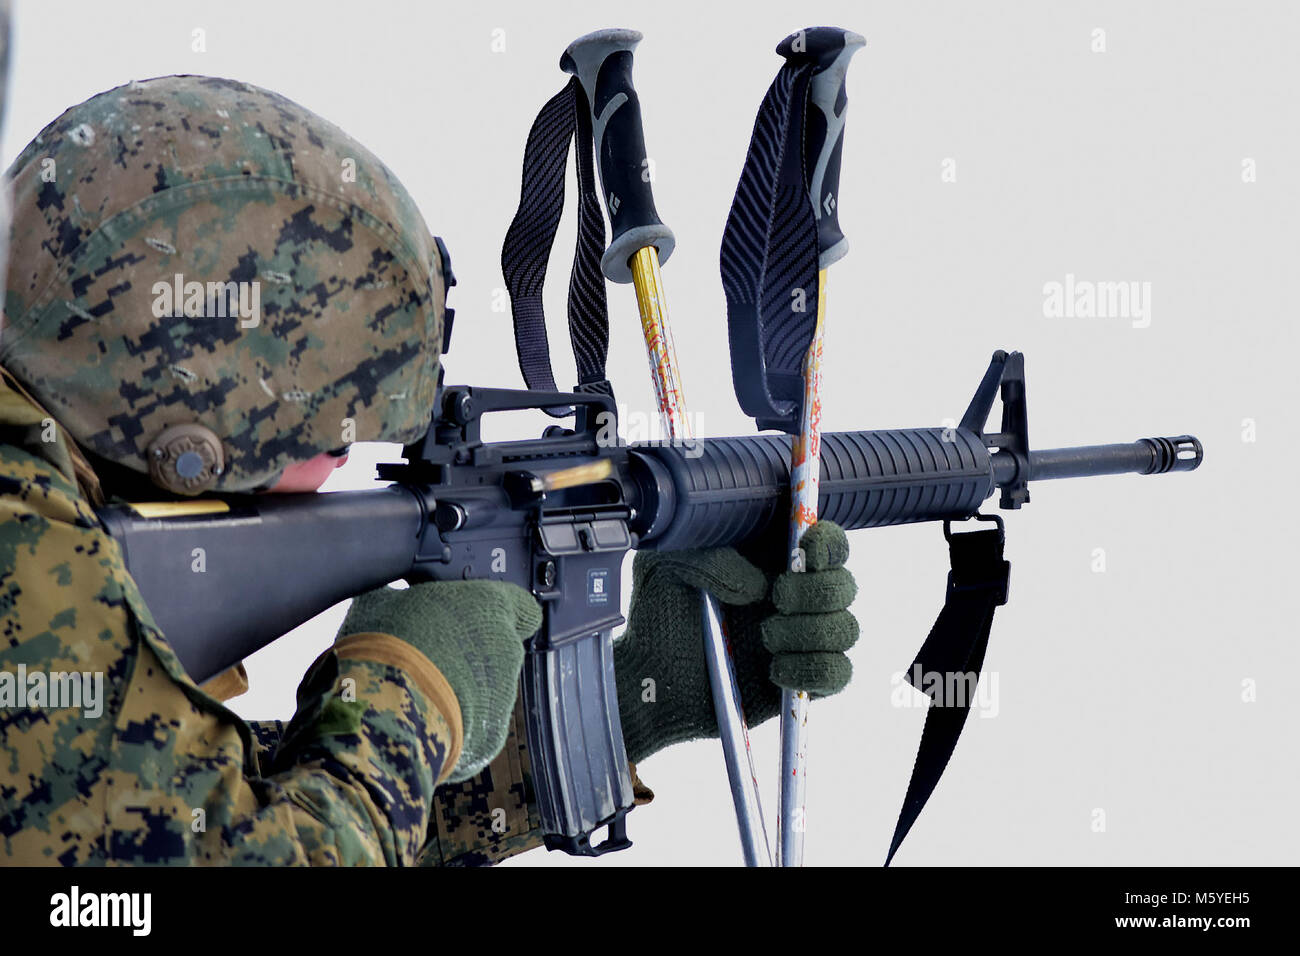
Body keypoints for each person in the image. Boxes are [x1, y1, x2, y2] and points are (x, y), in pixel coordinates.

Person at [0, 74, 858, 866]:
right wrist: (406, 691)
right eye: (333, 437)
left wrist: (638, 704)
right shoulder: (22, 545)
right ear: (197, 426)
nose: (340, 472)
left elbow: (177, 816)